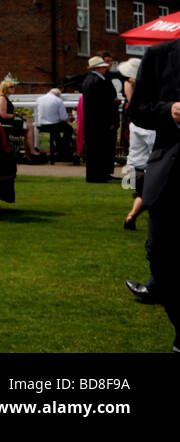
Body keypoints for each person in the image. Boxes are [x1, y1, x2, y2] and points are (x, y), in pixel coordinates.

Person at [126, 37, 180, 351]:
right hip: (171, 175)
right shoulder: (161, 55)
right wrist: (168, 109)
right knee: (162, 258)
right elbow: (138, 111)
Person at [119, 58, 152, 232]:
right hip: (143, 167)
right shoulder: (146, 125)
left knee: (141, 195)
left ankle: (132, 216)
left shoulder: (133, 123)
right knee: (147, 197)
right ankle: (132, 216)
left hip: (133, 166)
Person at [82, 55, 119, 183]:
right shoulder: (97, 81)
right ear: (98, 68)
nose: (105, 68)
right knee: (98, 149)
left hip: (94, 121)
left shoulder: (91, 80)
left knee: (97, 149)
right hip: (99, 121)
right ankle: (98, 175)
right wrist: (113, 103)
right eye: (103, 67)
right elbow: (101, 104)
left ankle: (99, 174)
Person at [35, 87, 73, 161]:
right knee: (69, 129)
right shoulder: (58, 100)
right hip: (54, 125)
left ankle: (60, 150)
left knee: (57, 132)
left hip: (41, 125)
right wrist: (69, 118)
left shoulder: (39, 99)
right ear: (58, 94)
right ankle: (63, 150)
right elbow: (63, 117)